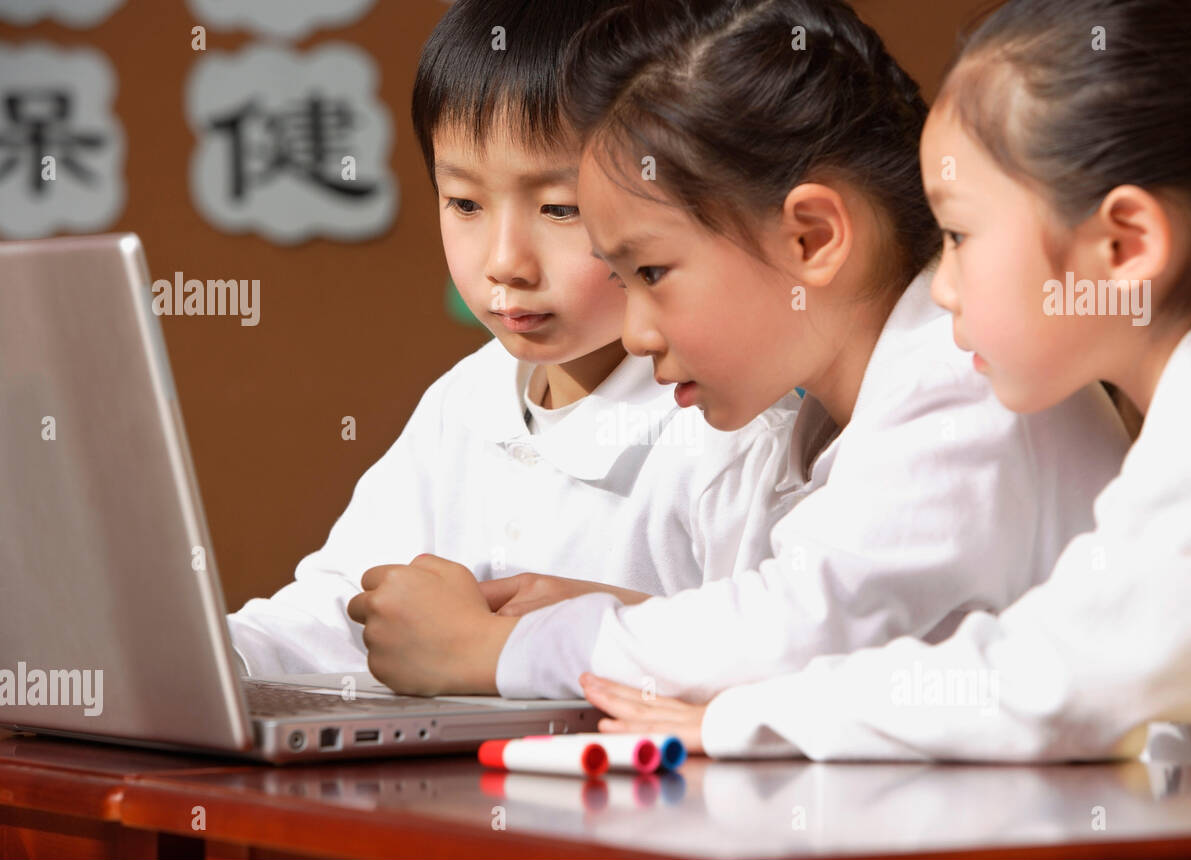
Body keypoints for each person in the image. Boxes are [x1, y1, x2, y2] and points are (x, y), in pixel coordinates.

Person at [349, 0, 1132, 705]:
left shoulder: (964, 381)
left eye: (653, 273)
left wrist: (497, 651)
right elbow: (807, 643)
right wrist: (618, 618)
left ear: (811, 238)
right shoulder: (804, 418)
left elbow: (803, 626)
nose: (636, 332)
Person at [226, 0, 803, 678]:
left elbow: (780, 658)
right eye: (465, 202)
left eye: (560, 209)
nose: (505, 261)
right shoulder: (465, 400)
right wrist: (216, 659)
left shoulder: (731, 424)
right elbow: (341, 604)